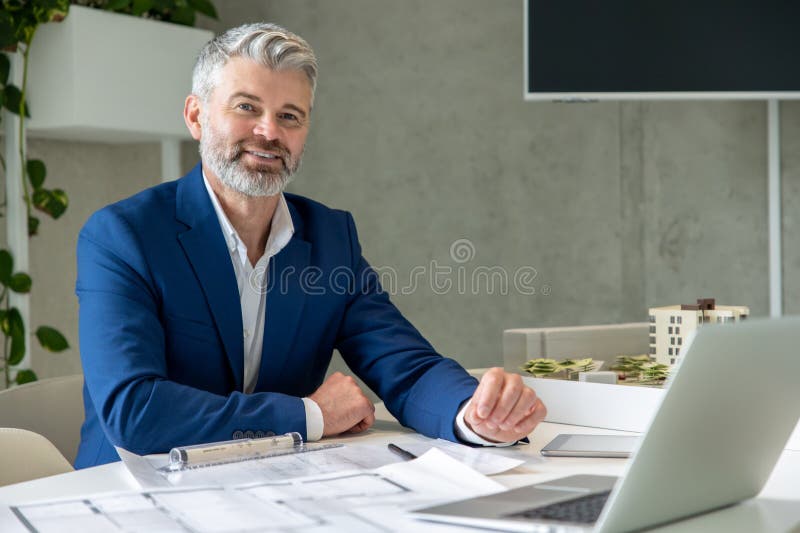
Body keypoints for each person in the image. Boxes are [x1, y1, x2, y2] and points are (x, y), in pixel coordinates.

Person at [74, 22, 546, 468]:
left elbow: (407, 367)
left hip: (271, 491)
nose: (269, 131)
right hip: (127, 495)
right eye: (246, 107)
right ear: (196, 116)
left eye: (289, 116)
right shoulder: (122, 236)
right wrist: (308, 417)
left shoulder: (329, 238)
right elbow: (135, 411)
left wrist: (475, 415)